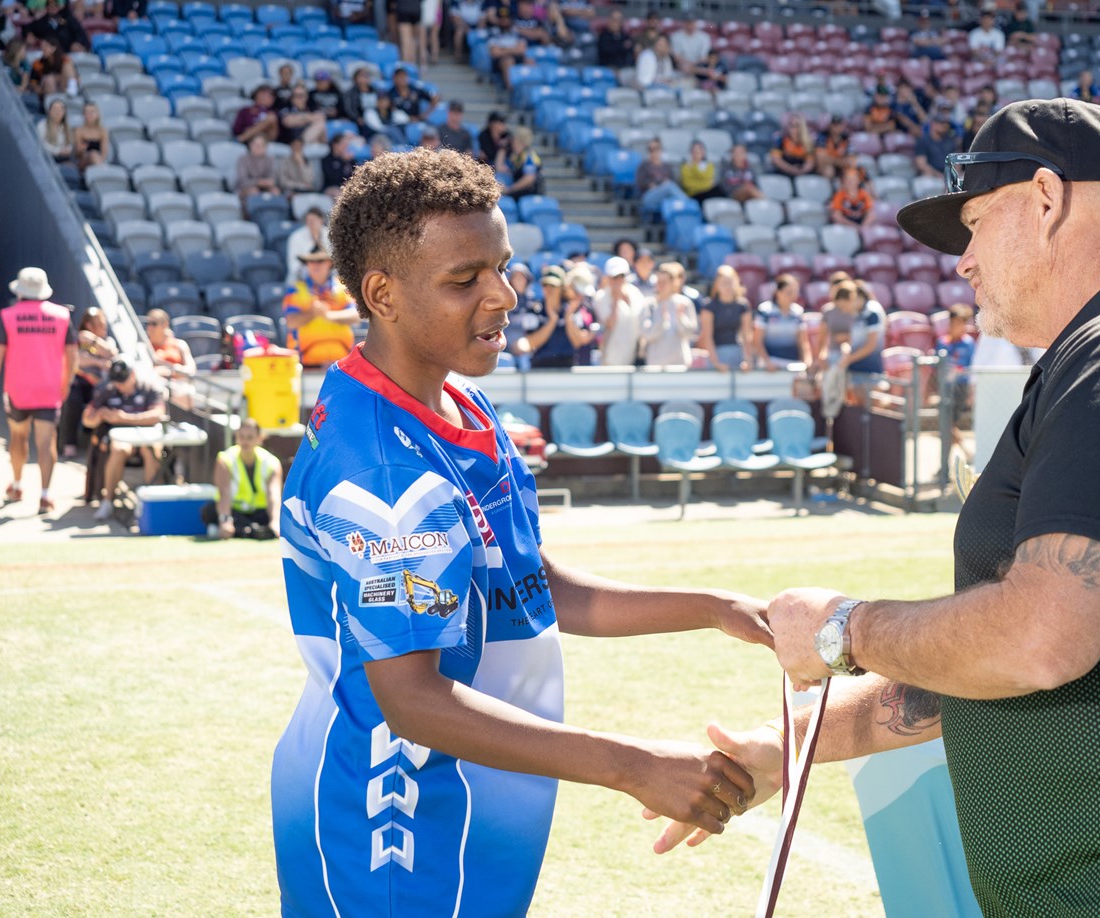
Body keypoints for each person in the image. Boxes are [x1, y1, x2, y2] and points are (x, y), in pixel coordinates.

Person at [658, 99, 1100, 918]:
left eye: (974, 223)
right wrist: (792, 748)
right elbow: (1019, 659)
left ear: (1046, 199)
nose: (962, 262)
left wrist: (844, 631)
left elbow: (1039, 639)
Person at [272, 147, 770, 916]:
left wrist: (713, 607)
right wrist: (635, 766)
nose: (503, 296)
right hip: (392, 827)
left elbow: (530, 589)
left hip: (474, 806)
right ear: (382, 294)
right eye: (463, 280)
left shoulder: (460, 407)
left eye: (503, 268)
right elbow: (411, 701)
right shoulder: (383, 474)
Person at [0, 267, 76, 514]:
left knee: (18, 437)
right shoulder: (62, 315)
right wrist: (65, 384)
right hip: (49, 389)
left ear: (20, 291)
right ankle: (45, 495)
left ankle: (18, 484)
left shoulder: (8, 315)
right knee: (46, 442)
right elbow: (73, 355)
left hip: (18, 390)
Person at [83, 356, 166, 520]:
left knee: (151, 450)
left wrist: (124, 418)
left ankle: (150, 503)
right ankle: (108, 501)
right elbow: (87, 419)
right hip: (120, 438)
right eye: (116, 381)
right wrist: (99, 416)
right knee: (119, 449)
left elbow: (158, 415)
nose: (119, 385)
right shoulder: (107, 391)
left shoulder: (149, 388)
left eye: (123, 380)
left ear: (133, 375)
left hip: (146, 436)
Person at [201, 417, 282, 540]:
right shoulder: (225, 459)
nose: (245, 441)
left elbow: (274, 496)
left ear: (259, 439)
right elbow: (224, 493)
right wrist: (225, 520)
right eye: (241, 437)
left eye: (250, 437)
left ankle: (248, 530)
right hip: (235, 512)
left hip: (260, 513)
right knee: (209, 511)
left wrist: (275, 522)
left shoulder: (271, 462)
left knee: (273, 519)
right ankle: (251, 530)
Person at [281, 249, 356, 367]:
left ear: (329, 263)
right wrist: (312, 313)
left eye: (320, 261)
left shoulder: (342, 289)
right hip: (307, 361)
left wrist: (329, 315)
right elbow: (291, 322)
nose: (315, 265)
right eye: (311, 261)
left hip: (342, 362)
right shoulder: (296, 290)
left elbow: (355, 316)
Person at [61, 306, 117, 457]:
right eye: (99, 323)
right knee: (73, 398)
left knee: (104, 399)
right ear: (88, 325)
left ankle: (99, 443)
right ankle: (69, 443)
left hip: (99, 385)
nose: (103, 326)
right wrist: (98, 361)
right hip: (79, 381)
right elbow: (77, 360)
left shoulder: (107, 340)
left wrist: (93, 342)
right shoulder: (78, 339)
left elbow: (111, 353)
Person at [521, 264, 591, 368]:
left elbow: (577, 342)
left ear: (562, 287)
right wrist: (552, 321)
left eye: (553, 285)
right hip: (540, 369)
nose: (549, 289)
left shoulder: (572, 310)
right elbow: (531, 343)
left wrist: (568, 318)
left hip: (567, 368)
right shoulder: (533, 310)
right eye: (545, 285)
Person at [935, 302, 976, 460]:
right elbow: (936, 369)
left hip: (960, 388)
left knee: (948, 425)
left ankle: (949, 462)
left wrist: (971, 392)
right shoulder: (942, 343)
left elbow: (972, 367)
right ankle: (960, 453)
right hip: (944, 389)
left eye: (964, 323)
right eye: (958, 323)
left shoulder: (968, 344)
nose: (962, 327)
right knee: (946, 425)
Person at [591, 256, 647, 366]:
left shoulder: (635, 293)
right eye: (614, 277)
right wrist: (615, 300)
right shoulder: (601, 297)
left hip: (634, 354)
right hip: (612, 355)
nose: (618, 280)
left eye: (621, 276)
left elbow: (642, 323)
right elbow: (610, 324)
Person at [750, 273, 810, 370]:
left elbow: (803, 342)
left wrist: (807, 362)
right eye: (789, 292)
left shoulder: (798, 312)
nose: (793, 296)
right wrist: (767, 361)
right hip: (770, 366)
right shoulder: (765, 311)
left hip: (793, 364)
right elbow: (757, 341)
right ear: (778, 292)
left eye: (795, 292)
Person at [641, 267, 697, 368]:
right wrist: (661, 321)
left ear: (673, 283)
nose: (661, 285)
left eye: (664, 282)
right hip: (656, 365)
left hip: (679, 365)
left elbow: (690, 334)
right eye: (658, 281)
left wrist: (681, 318)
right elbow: (647, 335)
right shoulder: (649, 305)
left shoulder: (684, 303)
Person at [698, 265, 750, 372]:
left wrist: (748, 359)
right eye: (724, 283)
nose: (727, 287)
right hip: (717, 354)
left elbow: (746, 335)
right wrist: (716, 362)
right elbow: (707, 337)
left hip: (737, 354)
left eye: (730, 283)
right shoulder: (709, 306)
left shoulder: (742, 305)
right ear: (717, 284)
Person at [636, 137, 687, 220]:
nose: (654, 151)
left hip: (666, 196)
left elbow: (675, 183)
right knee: (669, 186)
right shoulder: (644, 165)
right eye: (650, 149)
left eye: (656, 148)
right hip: (650, 195)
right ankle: (689, 204)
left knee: (672, 193)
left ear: (661, 150)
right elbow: (640, 182)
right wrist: (650, 184)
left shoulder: (667, 166)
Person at [143, 308, 196, 382]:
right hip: (155, 387)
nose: (149, 327)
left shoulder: (180, 344)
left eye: (154, 324)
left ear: (165, 325)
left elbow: (191, 370)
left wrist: (171, 371)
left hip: (179, 386)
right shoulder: (144, 347)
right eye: (147, 324)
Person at [285, 207, 332, 285]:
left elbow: (333, 260)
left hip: (327, 278)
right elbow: (293, 265)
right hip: (300, 279)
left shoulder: (329, 235)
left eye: (314, 220)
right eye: (308, 220)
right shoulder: (296, 237)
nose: (311, 223)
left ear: (321, 220)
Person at [236, 135, 280, 207]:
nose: (258, 147)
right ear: (250, 145)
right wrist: (258, 182)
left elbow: (273, 176)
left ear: (266, 147)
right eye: (256, 145)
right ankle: (252, 215)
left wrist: (269, 181)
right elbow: (242, 180)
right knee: (254, 191)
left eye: (261, 145)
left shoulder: (269, 159)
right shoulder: (243, 159)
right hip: (246, 188)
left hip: (265, 187)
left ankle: (273, 214)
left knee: (275, 191)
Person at [504, 126, 542, 200]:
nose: (512, 142)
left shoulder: (529, 157)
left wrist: (510, 189)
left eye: (514, 139)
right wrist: (502, 149)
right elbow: (501, 168)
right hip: (519, 194)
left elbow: (528, 179)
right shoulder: (516, 156)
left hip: (528, 195)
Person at [915, 114, 958, 178]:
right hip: (932, 175)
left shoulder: (950, 140)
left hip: (949, 175)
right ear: (933, 124)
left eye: (946, 123)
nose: (945, 125)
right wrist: (939, 175)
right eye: (942, 123)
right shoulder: (923, 140)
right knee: (927, 176)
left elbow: (957, 162)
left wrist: (953, 175)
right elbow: (921, 164)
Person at [72, 100, 110, 172]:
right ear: (83, 114)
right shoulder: (79, 130)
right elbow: (77, 155)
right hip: (83, 161)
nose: (89, 115)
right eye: (86, 112)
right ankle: (103, 172)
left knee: (94, 155)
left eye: (92, 112)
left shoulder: (103, 131)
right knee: (93, 154)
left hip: (98, 160)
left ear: (97, 114)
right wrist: (81, 149)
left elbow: (104, 153)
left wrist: (98, 160)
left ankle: (100, 171)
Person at [815, 114, 856, 179]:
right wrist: (842, 161)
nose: (836, 127)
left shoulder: (846, 138)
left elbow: (851, 161)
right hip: (826, 167)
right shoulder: (822, 137)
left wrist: (831, 159)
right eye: (834, 124)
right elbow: (821, 159)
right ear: (830, 125)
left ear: (842, 126)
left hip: (841, 168)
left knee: (851, 172)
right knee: (829, 170)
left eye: (838, 124)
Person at [321, 132, 359, 199]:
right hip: (331, 187)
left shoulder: (350, 160)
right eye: (343, 144)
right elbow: (332, 178)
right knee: (338, 193)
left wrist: (350, 161)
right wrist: (343, 161)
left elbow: (355, 174)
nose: (346, 147)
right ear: (335, 145)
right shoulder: (326, 160)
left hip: (346, 187)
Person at [341, 67, 378, 135]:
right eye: (362, 76)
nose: (365, 78)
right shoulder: (350, 93)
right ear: (355, 78)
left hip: (376, 118)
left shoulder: (375, 91)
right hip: (360, 121)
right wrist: (357, 118)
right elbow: (349, 108)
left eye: (367, 76)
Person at [38, 97, 73, 162]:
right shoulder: (42, 125)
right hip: (47, 157)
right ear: (49, 111)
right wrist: (58, 151)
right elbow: (42, 144)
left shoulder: (67, 127)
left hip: (63, 157)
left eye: (61, 109)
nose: (58, 111)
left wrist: (67, 150)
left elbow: (70, 144)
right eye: (55, 109)